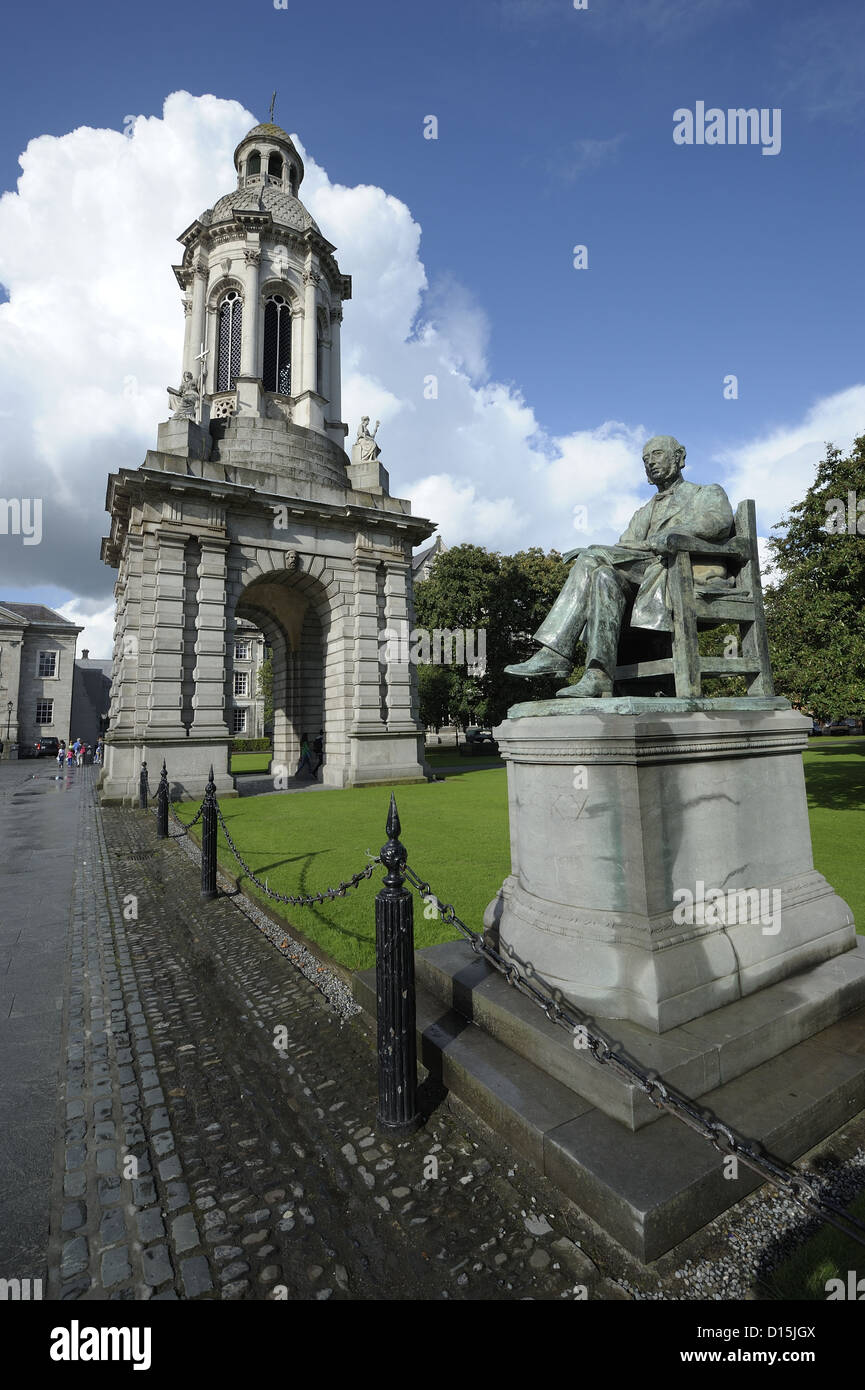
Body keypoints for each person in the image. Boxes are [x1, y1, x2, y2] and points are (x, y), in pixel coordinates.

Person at [504, 436, 734, 697]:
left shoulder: (706, 493)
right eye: (645, 459)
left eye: (657, 454)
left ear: (680, 457)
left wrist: (673, 534)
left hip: (682, 572)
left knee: (591, 558)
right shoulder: (644, 511)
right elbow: (624, 548)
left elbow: (720, 522)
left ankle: (555, 652)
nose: (650, 462)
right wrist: (601, 553)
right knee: (603, 574)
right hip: (648, 574)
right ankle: (597, 675)